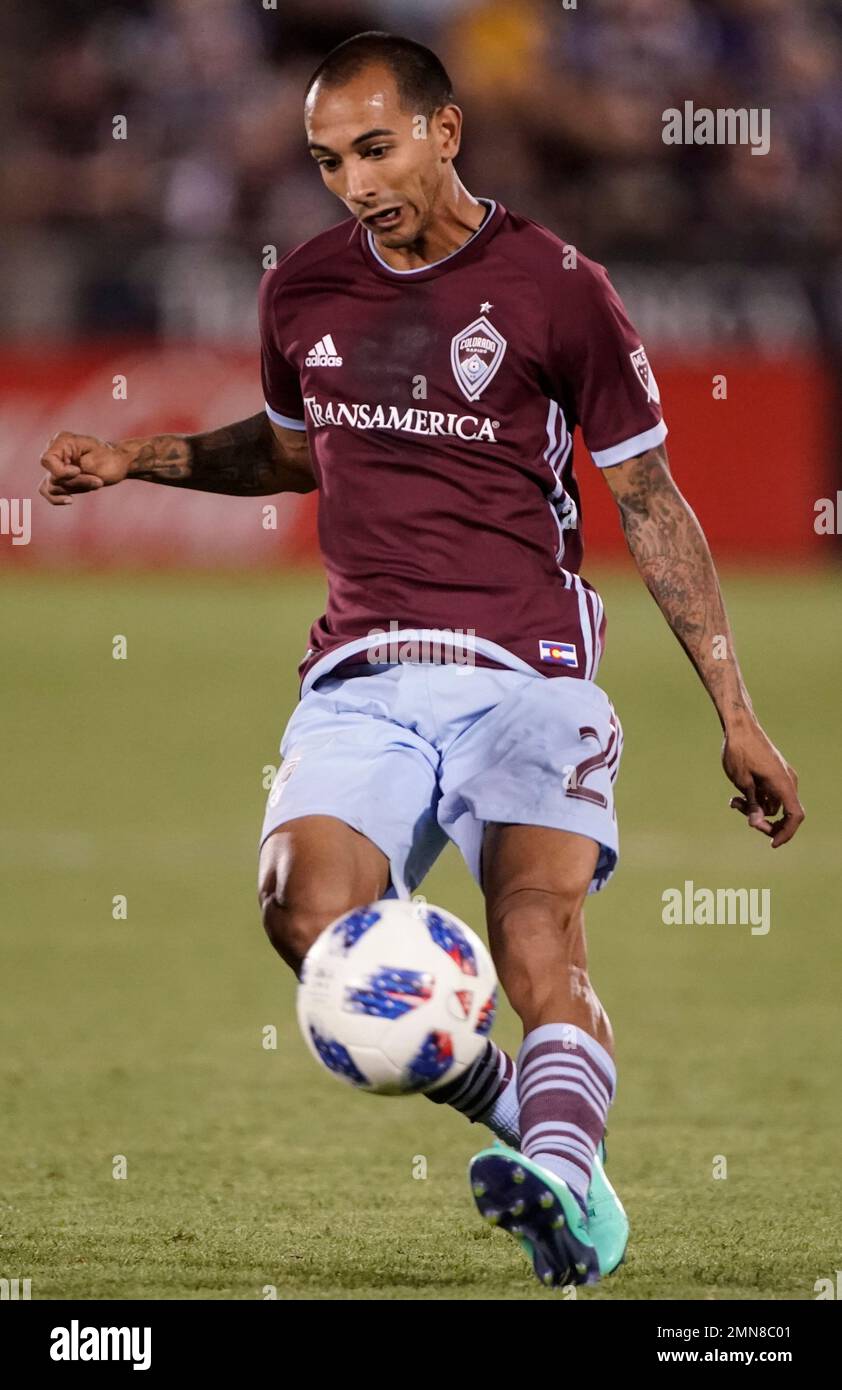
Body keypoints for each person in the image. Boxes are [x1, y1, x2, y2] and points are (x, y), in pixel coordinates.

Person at [39, 31, 804, 1289]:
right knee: (304, 913)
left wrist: (735, 706)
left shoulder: (559, 288)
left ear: (445, 134)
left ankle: (567, 1199)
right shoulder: (304, 291)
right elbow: (299, 448)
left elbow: (651, 500)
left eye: (375, 148)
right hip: (364, 670)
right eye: (327, 159)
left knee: (535, 938)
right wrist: (143, 457)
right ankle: (529, 1125)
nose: (352, 181)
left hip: (526, 671)